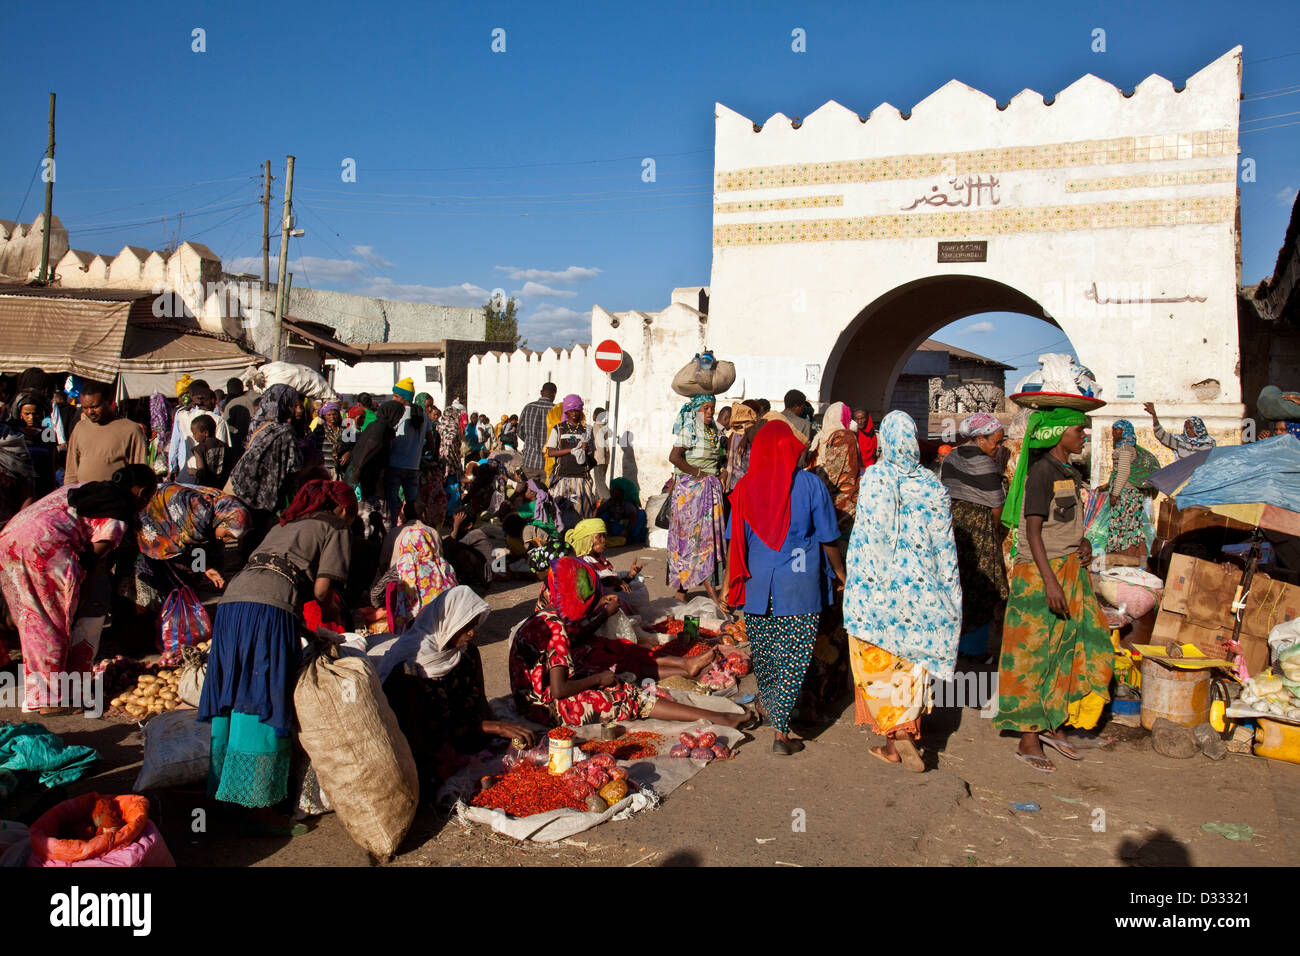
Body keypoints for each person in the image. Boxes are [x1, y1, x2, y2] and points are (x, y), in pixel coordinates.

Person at [197, 480, 354, 820]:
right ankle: (256, 800)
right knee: (263, 693)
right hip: (270, 609)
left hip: (232, 604)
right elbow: (323, 589)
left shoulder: (288, 523)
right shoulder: (336, 525)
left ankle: (222, 790)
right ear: (343, 508)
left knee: (235, 690)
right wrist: (332, 618)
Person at [997, 408, 1113, 773]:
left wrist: (1084, 547)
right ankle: (1028, 738)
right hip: (1040, 576)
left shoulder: (1068, 473)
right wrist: (1050, 582)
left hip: (1069, 571)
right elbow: (1032, 532)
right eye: (1079, 430)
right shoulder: (1042, 472)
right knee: (1033, 655)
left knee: (1073, 648)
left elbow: (1064, 525)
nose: (1084, 437)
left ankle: (1054, 723)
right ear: (1059, 433)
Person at [842, 412, 961, 771]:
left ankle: (895, 739)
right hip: (923, 594)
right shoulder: (931, 484)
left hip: (878, 594)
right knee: (912, 664)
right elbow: (945, 546)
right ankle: (905, 735)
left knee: (877, 660)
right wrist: (948, 591)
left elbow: (867, 537)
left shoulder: (877, 477)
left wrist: (856, 580)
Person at [508, 557, 756, 728]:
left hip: (529, 696)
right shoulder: (557, 628)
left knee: (613, 663)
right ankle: (718, 718)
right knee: (625, 696)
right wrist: (598, 680)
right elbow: (560, 690)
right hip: (544, 707)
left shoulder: (544, 615)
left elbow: (573, 644)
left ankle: (698, 690)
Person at [727, 418, 846, 755]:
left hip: (757, 586)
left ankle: (771, 710)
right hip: (799, 584)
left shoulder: (745, 488)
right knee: (793, 657)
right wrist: (840, 572)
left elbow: (737, 542)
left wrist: (727, 585)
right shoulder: (810, 485)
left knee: (766, 658)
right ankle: (781, 735)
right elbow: (828, 537)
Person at [0, 464, 157, 713]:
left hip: (10, 539)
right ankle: (47, 700)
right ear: (141, 493)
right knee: (52, 623)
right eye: (149, 496)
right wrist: (79, 597)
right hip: (43, 550)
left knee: (32, 619)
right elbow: (95, 557)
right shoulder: (118, 509)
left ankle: (39, 693)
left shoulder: (85, 487)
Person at [375, 586, 538, 789]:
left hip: (464, 734)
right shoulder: (409, 668)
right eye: (466, 626)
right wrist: (492, 728)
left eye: (473, 626)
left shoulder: (466, 653)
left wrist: (495, 729)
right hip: (427, 747)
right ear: (447, 624)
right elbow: (424, 732)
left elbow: (479, 704)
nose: (471, 633)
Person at [940, 412, 1008, 658]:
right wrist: (994, 533)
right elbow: (996, 505)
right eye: (995, 442)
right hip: (980, 530)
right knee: (982, 589)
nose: (997, 447)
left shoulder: (951, 458)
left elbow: (945, 492)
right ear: (980, 438)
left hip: (953, 529)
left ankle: (955, 644)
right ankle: (974, 649)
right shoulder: (986, 465)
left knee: (958, 585)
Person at [666, 395, 728, 606]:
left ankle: (712, 588)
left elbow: (721, 461)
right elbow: (674, 457)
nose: (710, 412)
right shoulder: (689, 429)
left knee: (709, 540)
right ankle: (681, 589)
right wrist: (699, 473)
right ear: (696, 410)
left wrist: (723, 474)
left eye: (712, 408)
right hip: (689, 494)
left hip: (710, 493)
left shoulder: (715, 433)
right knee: (686, 539)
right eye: (706, 408)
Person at [384, 504, 458, 632]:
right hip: (444, 622)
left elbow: (382, 565)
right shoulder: (443, 563)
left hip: (415, 624)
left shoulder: (402, 566)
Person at [62, 381, 148, 486]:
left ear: (109, 401)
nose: (90, 412)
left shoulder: (131, 430)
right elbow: (71, 469)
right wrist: (69, 490)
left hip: (116, 498)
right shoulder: (80, 428)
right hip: (83, 497)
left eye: (94, 407)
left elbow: (140, 472)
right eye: (85, 408)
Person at [345, 400, 406, 536]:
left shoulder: (377, 426)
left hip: (372, 481)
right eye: (398, 416)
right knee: (371, 522)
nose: (398, 420)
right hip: (371, 483)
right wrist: (357, 475)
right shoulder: (380, 429)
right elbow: (367, 452)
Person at [1101, 420, 1159, 557]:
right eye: (1113, 429)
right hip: (1126, 491)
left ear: (1125, 431)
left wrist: (1115, 493)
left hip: (1126, 493)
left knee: (1123, 525)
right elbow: (1116, 471)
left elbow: (1123, 472)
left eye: (1117, 430)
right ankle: (1128, 554)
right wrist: (1108, 485)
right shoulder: (1124, 447)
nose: (1114, 432)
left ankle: (1126, 554)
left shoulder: (1126, 449)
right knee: (1128, 525)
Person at [808, 401, 861, 535]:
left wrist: (807, 478)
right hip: (828, 501)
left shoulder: (842, 437)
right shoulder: (826, 436)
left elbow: (834, 473)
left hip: (839, 504)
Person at [386, 378, 433, 524]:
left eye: (396, 396)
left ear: (404, 397)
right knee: (414, 504)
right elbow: (430, 443)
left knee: (392, 503)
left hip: (395, 465)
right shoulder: (424, 416)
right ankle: (415, 530)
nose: (393, 399)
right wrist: (416, 449)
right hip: (413, 466)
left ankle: (393, 532)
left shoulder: (396, 413)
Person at [547, 394, 596, 518]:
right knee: (559, 513)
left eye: (577, 410)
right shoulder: (558, 429)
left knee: (582, 514)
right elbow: (551, 452)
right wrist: (571, 450)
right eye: (571, 410)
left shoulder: (586, 431)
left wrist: (587, 450)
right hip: (562, 478)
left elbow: (591, 459)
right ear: (566, 411)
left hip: (581, 479)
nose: (574, 413)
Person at [169, 382, 230, 481]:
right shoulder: (218, 420)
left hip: (186, 475)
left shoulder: (184, 417)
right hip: (209, 479)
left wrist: (191, 404)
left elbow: (180, 412)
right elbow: (222, 450)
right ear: (212, 401)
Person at [10, 390, 58, 496]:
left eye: (35, 413)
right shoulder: (13, 434)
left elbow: (52, 463)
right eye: (27, 414)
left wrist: (53, 486)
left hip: (43, 486)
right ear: (20, 414)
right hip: (20, 488)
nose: (31, 418)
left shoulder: (47, 432)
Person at [1142, 403, 1215, 459]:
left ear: (1198, 429)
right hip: (1182, 476)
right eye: (1186, 428)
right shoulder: (1180, 442)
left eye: (1191, 428)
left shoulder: (1208, 444)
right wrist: (1154, 415)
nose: (1188, 430)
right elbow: (1161, 435)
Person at [519, 382, 558, 482]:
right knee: (545, 495)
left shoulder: (528, 407)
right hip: (548, 463)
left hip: (529, 460)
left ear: (541, 392)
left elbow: (520, 431)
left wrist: (530, 440)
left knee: (528, 494)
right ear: (554, 394)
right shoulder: (557, 411)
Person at [723, 401, 760, 492]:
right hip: (746, 484)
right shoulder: (751, 434)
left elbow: (726, 456)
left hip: (733, 483)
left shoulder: (733, 433)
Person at [186, 414, 230, 489]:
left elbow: (201, 473)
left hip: (206, 489)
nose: (194, 436)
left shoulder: (199, 449)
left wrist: (193, 471)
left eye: (195, 433)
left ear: (205, 433)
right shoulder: (225, 446)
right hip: (223, 487)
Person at [222, 378, 256, 456]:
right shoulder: (253, 397)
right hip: (252, 437)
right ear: (242, 387)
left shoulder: (230, 403)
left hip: (236, 439)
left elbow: (226, 425)